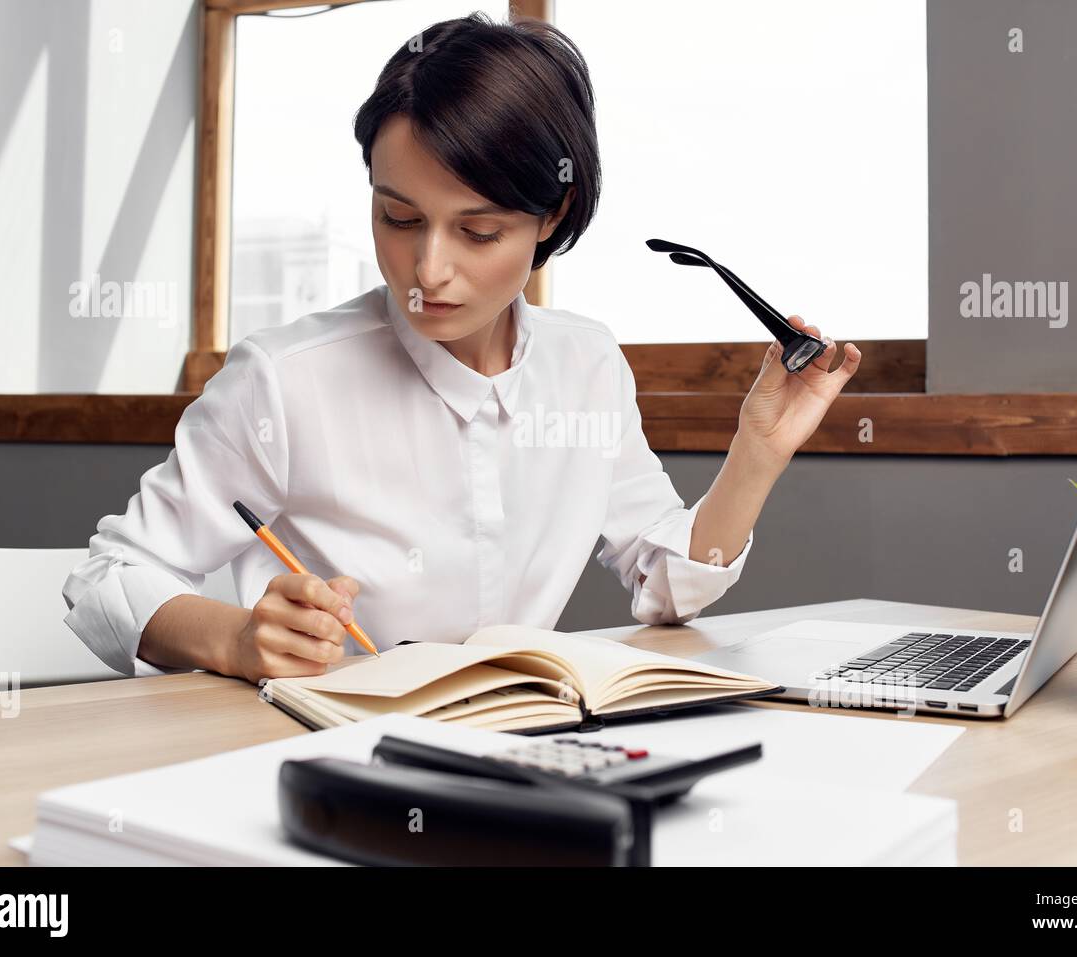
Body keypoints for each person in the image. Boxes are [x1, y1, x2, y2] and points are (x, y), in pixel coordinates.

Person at [63, 13, 861, 684]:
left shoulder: (585, 368)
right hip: (321, 760)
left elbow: (667, 586)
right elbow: (106, 578)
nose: (429, 270)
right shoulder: (284, 380)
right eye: (398, 219)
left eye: (478, 230)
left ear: (553, 214)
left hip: (516, 754)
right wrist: (235, 639)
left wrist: (756, 452)